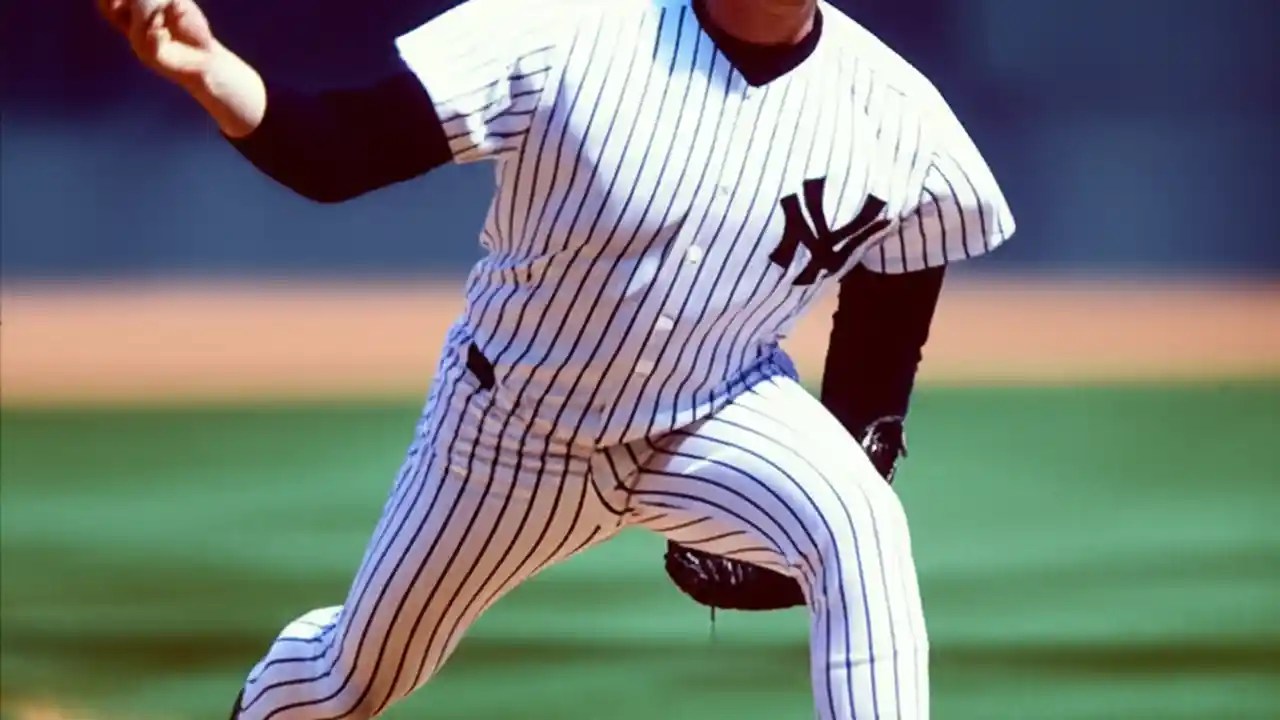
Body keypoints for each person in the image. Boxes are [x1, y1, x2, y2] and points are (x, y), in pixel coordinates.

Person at [97, 0, 1016, 717]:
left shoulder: (900, 118)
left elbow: (883, 340)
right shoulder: (566, 34)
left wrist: (831, 486)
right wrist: (210, 70)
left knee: (859, 529)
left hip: (719, 409)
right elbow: (339, 154)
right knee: (354, 679)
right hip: (511, 433)